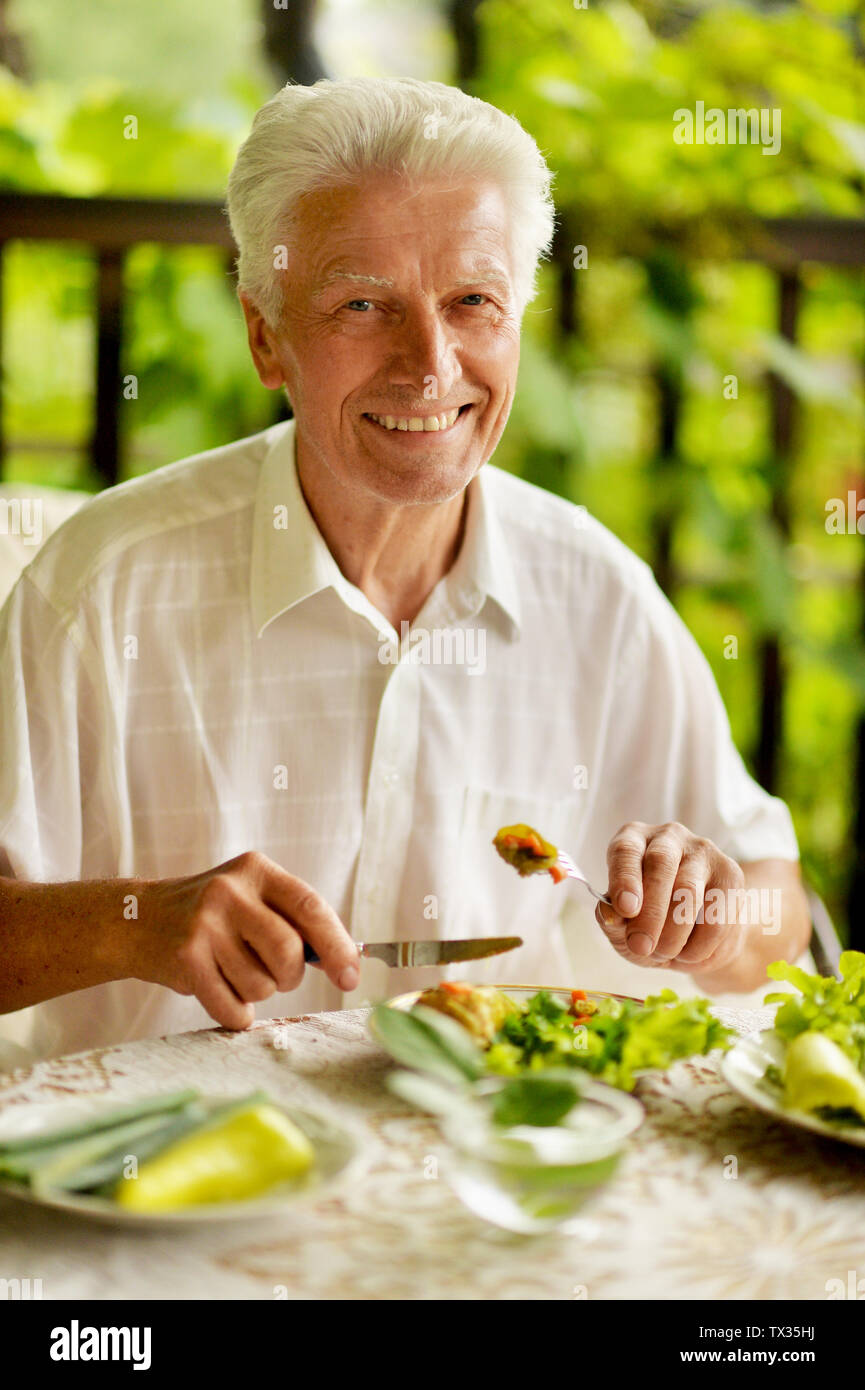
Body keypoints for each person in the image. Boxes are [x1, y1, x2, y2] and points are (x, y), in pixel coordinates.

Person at [0, 77, 810, 1061]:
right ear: (267, 336)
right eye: (362, 304)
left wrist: (720, 919)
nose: (429, 363)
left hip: (501, 1177)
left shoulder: (595, 592)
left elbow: (782, 917)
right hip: (177, 1189)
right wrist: (126, 924)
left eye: (473, 301)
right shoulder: (103, 586)